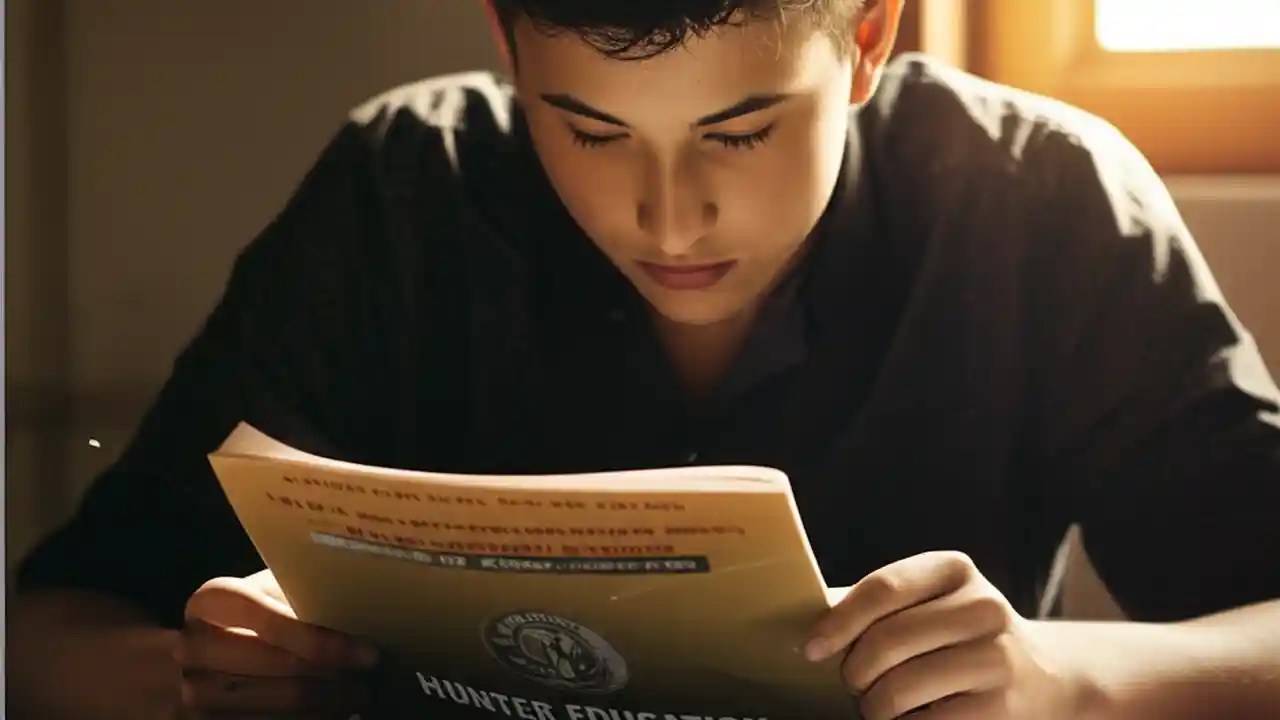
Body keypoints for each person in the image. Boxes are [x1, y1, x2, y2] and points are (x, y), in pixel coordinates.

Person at [11, 0, 1280, 718]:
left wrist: (1060, 683)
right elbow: (51, 629)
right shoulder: (403, 192)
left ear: (870, 39)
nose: (666, 220)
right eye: (588, 130)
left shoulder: (1038, 199)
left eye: (738, 132)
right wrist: (194, 681)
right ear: (507, 49)